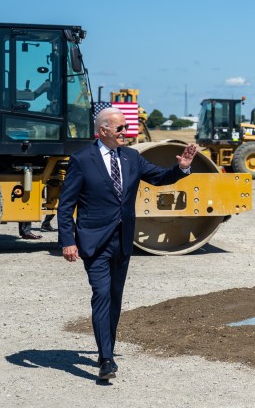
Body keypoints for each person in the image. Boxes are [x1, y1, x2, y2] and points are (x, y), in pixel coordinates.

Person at [57, 107, 197, 380]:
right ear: (103, 131)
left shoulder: (132, 157)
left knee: (115, 298)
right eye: (120, 128)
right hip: (94, 241)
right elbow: (66, 206)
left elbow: (159, 178)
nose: (126, 132)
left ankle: (105, 349)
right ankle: (106, 359)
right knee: (101, 295)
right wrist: (67, 241)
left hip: (123, 240)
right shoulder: (82, 159)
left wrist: (181, 168)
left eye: (126, 127)